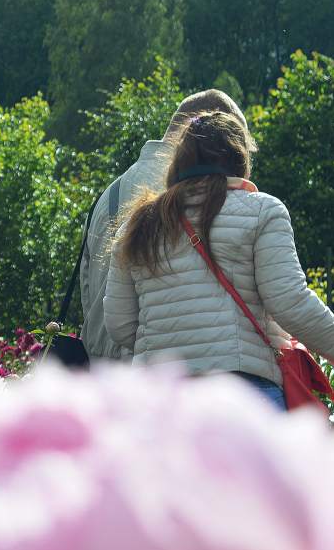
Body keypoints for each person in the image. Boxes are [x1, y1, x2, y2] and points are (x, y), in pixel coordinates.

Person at [105, 110, 334, 410]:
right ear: (239, 159)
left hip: (159, 400)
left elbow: (119, 324)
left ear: (181, 160)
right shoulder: (263, 210)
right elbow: (290, 302)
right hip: (242, 393)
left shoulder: (137, 223)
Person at [81, 89, 248, 362]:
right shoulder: (191, 190)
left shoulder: (107, 194)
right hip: (154, 365)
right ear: (211, 133)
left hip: (101, 366)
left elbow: (88, 293)